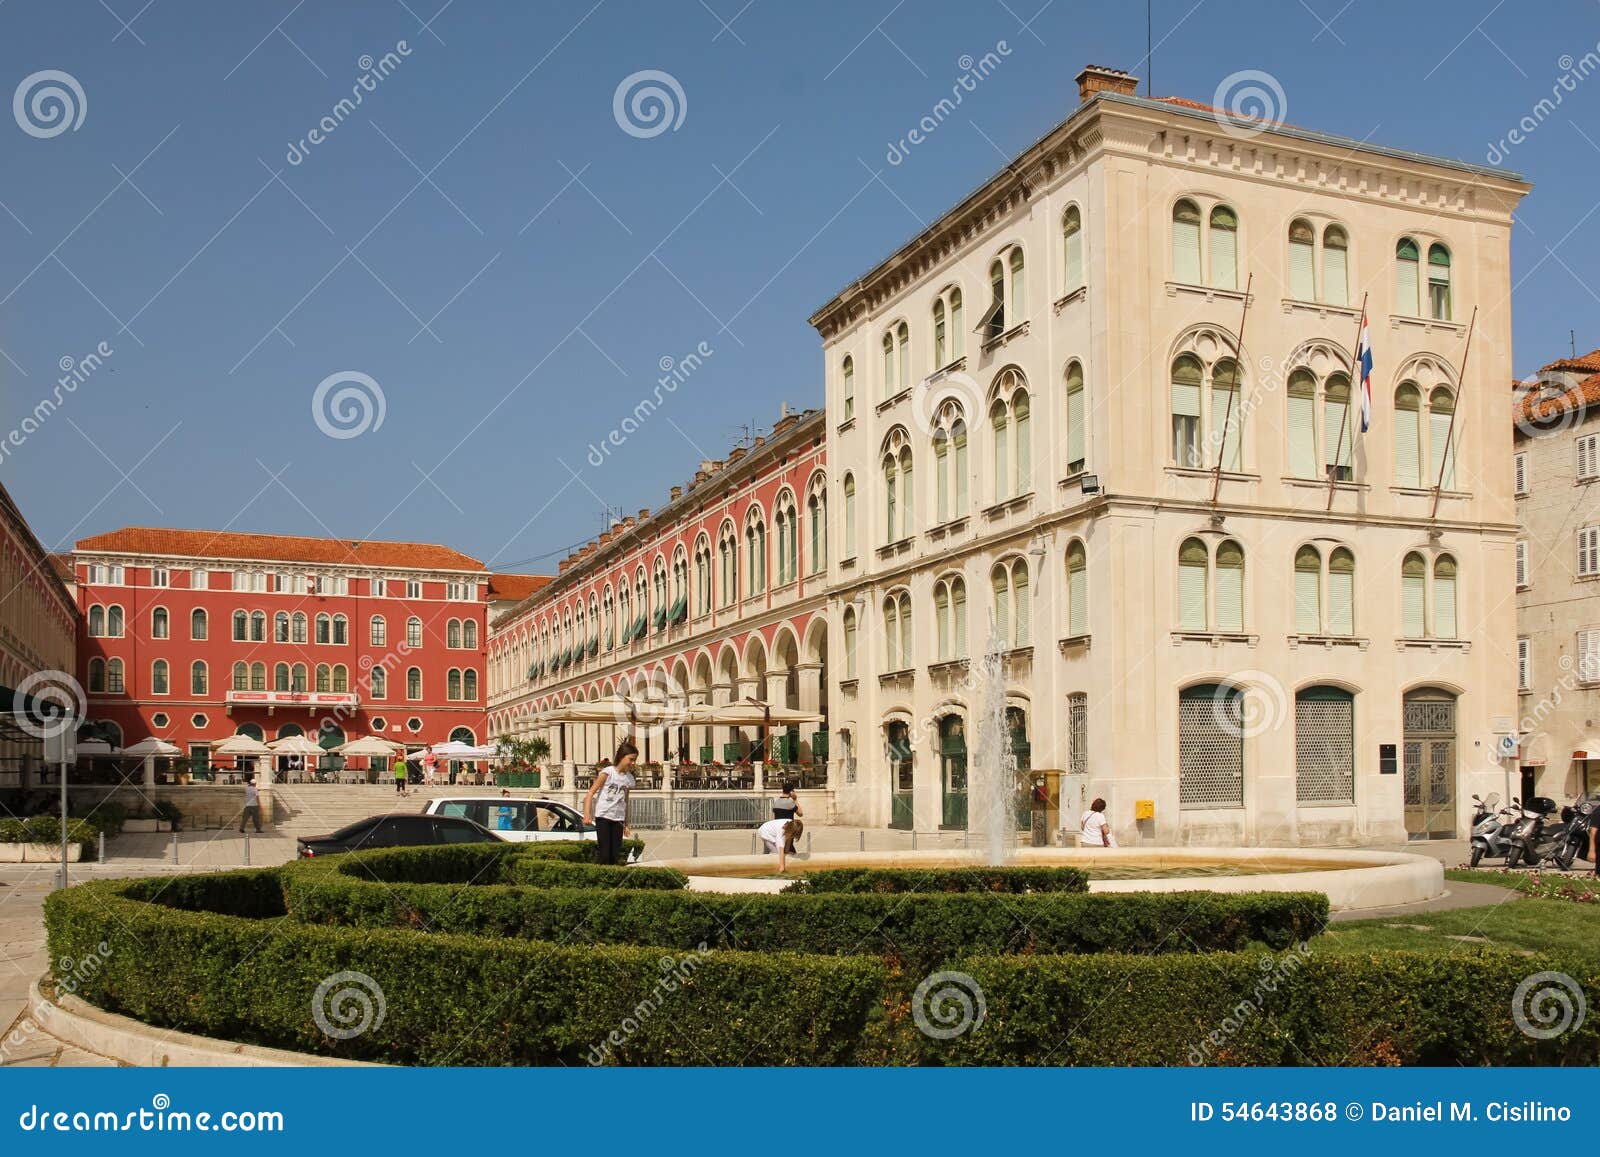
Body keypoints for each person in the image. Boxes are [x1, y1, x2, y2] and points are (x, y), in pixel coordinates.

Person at [582, 742, 636, 865]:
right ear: (622, 757)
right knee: (605, 854)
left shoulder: (629, 779)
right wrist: (587, 815)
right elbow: (590, 793)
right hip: (604, 816)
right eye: (631, 759)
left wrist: (626, 824)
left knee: (614, 855)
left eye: (634, 760)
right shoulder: (608, 772)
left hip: (618, 819)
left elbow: (625, 801)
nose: (633, 763)